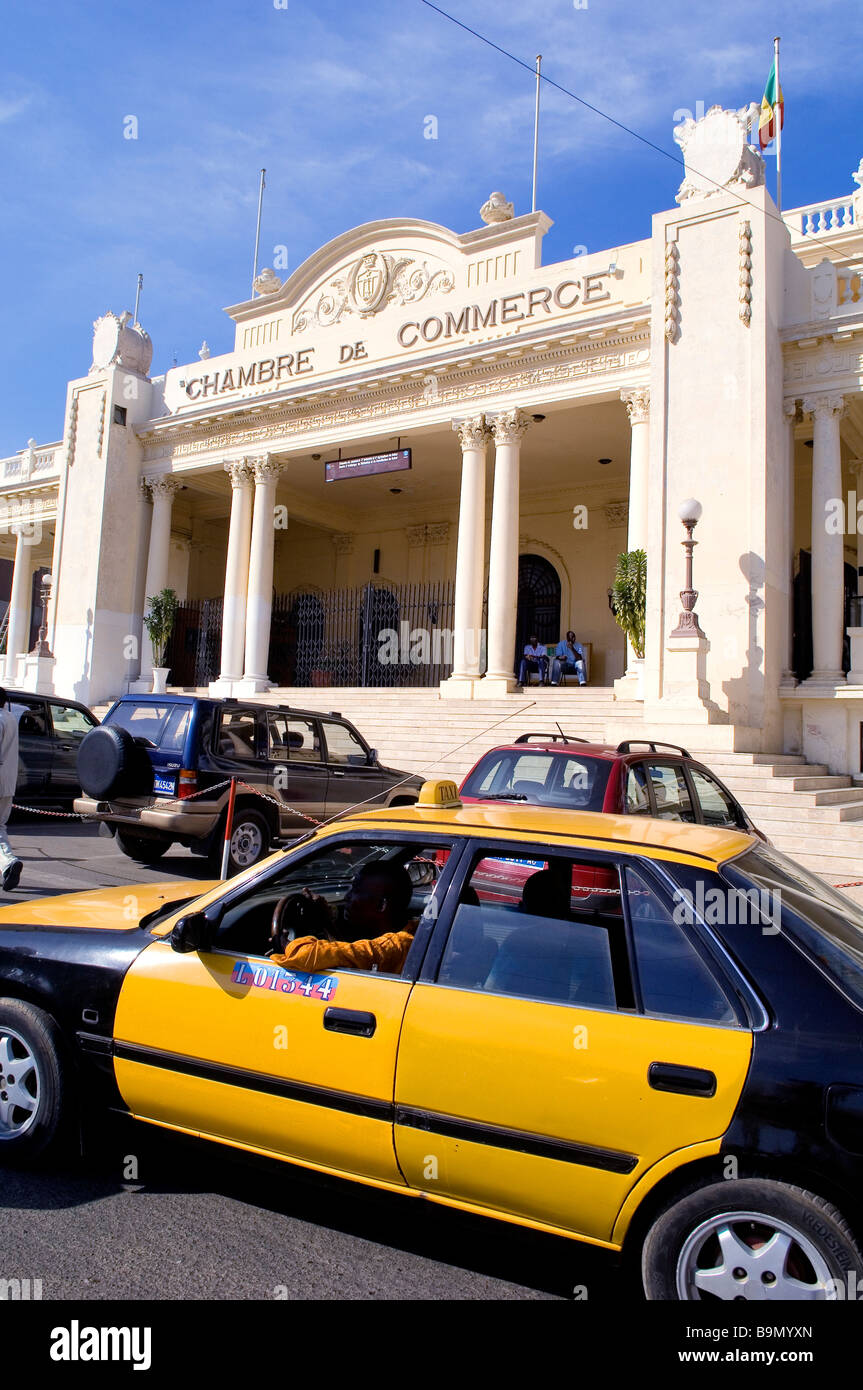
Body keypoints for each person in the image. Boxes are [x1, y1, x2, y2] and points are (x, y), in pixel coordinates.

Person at [268, 860, 417, 974]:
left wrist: (286, 944)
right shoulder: (410, 933)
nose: (347, 897)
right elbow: (348, 956)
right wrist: (326, 923)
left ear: (380, 906)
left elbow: (306, 955)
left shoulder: (393, 948)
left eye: (356, 890)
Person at [0, 688, 22, 891]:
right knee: (0, 827)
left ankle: (8, 862)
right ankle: (7, 864)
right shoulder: (10, 718)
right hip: (7, 782)